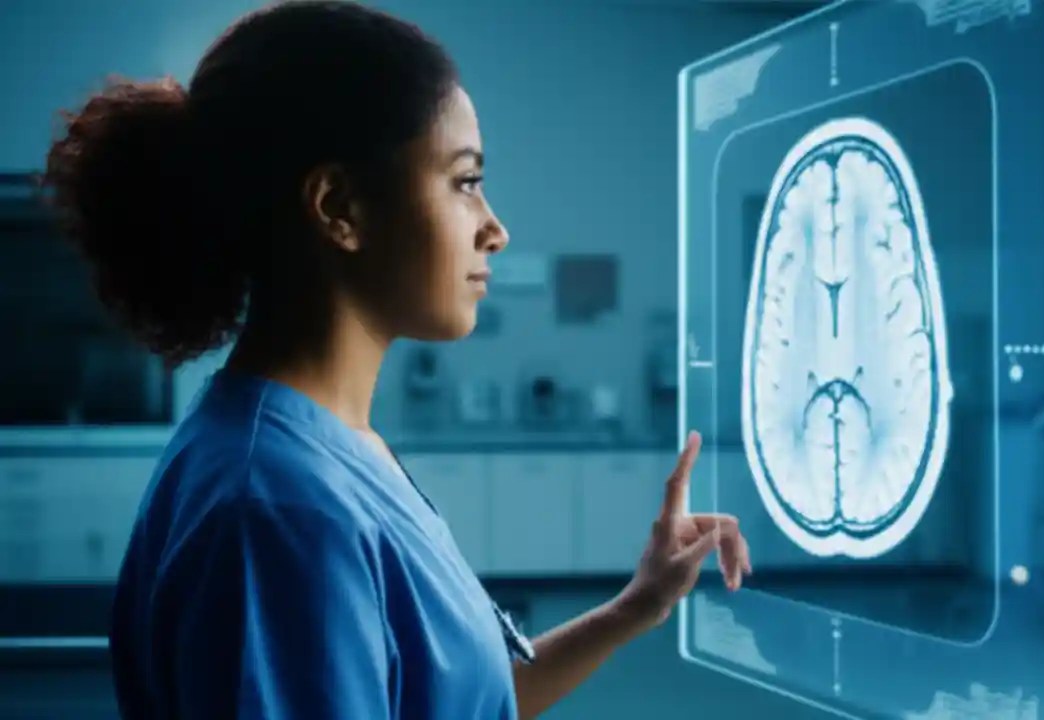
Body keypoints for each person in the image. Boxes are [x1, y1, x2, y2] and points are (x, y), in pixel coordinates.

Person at [40, 2, 752, 718]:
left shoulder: (325, 452)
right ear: (338, 207)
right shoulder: (279, 512)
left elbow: (454, 701)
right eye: (465, 181)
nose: (495, 230)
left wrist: (636, 606)